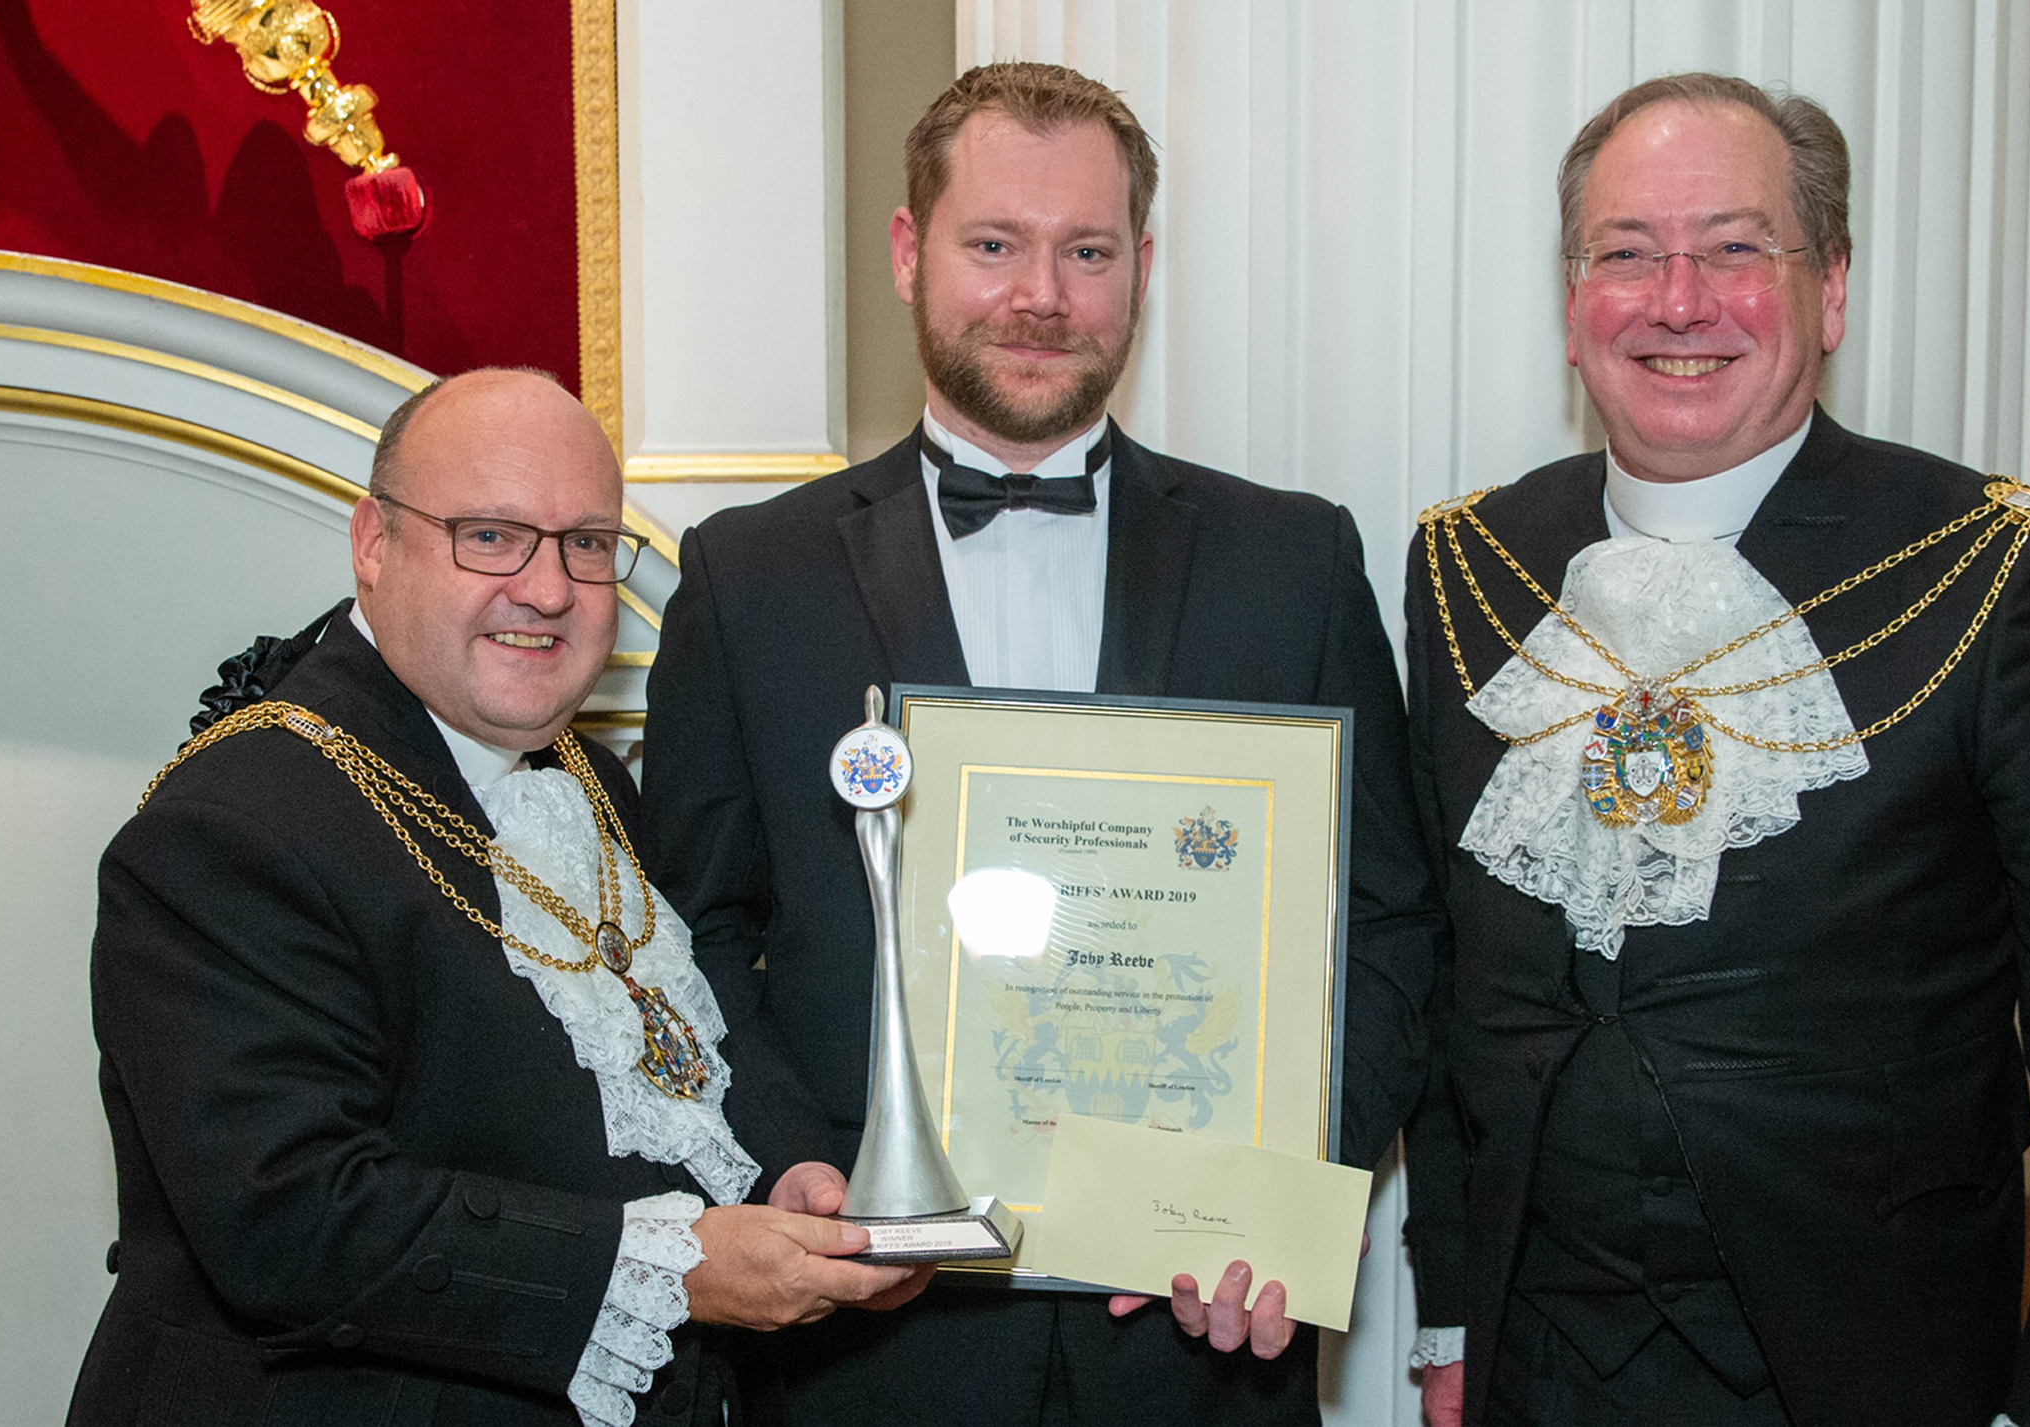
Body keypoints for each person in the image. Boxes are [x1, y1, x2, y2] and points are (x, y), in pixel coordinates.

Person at [1400, 74, 2030, 1427]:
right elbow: (1449, 980)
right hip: (1538, 1356)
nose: (1679, 299)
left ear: (1829, 291)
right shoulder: (1466, 566)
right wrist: (1447, 1309)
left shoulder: (1996, 569)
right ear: (1570, 303)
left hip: (1875, 1359)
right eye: (1626, 253)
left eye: (1736, 248)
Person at [639, 62, 1440, 1427]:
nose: (1042, 296)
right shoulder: (747, 576)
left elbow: (1389, 925)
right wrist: (788, 1166)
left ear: (1141, 266)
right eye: (994, 244)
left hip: (1196, 1345)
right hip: (865, 1345)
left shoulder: (1293, 560)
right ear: (909, 252)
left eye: (1088, 250)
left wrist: (1290, 1191)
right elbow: (692, 931)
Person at [70, 369, 927, 1427]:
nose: (549, 587)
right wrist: (677, 1267)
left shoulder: (593, 786)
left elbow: (662, 1047)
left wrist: (786, 1174)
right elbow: (291, 1219)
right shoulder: (231, 826)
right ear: (374, 542)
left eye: (585, 543)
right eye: (490, 535)